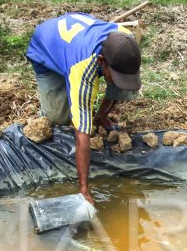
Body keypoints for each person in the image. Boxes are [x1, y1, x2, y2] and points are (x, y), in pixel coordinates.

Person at [25, 13, 141, 205]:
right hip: (46, 47)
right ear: (102, 62)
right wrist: (84, 190)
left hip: (76, 42)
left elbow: (126, 70)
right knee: (57, 118)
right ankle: (46, 117)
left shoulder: (125, 39)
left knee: (127, 84)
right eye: (114, 74)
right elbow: (82, 135)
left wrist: (115, 86)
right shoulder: (83, 70)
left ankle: (102, 116)